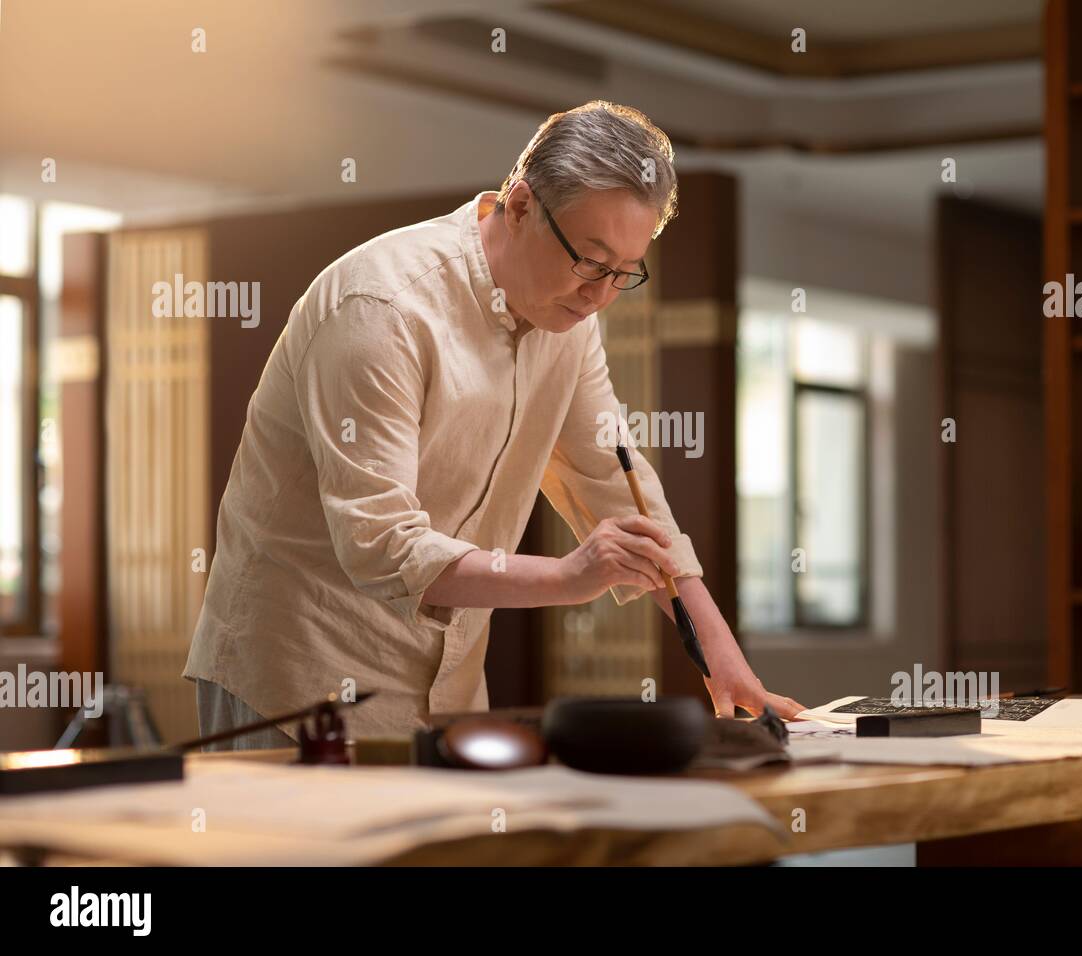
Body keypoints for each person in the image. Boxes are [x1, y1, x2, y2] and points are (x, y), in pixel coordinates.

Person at [184, 100, 806, 749]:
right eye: (590, 262)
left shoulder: (570, 321)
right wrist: (569, 578)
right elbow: (380, 544)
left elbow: (614, 481)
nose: (600, 295)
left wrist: (723, 662)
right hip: (298, 677)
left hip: (447, 685)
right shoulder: (382, 309)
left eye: (625, 273)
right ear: (520, 205)